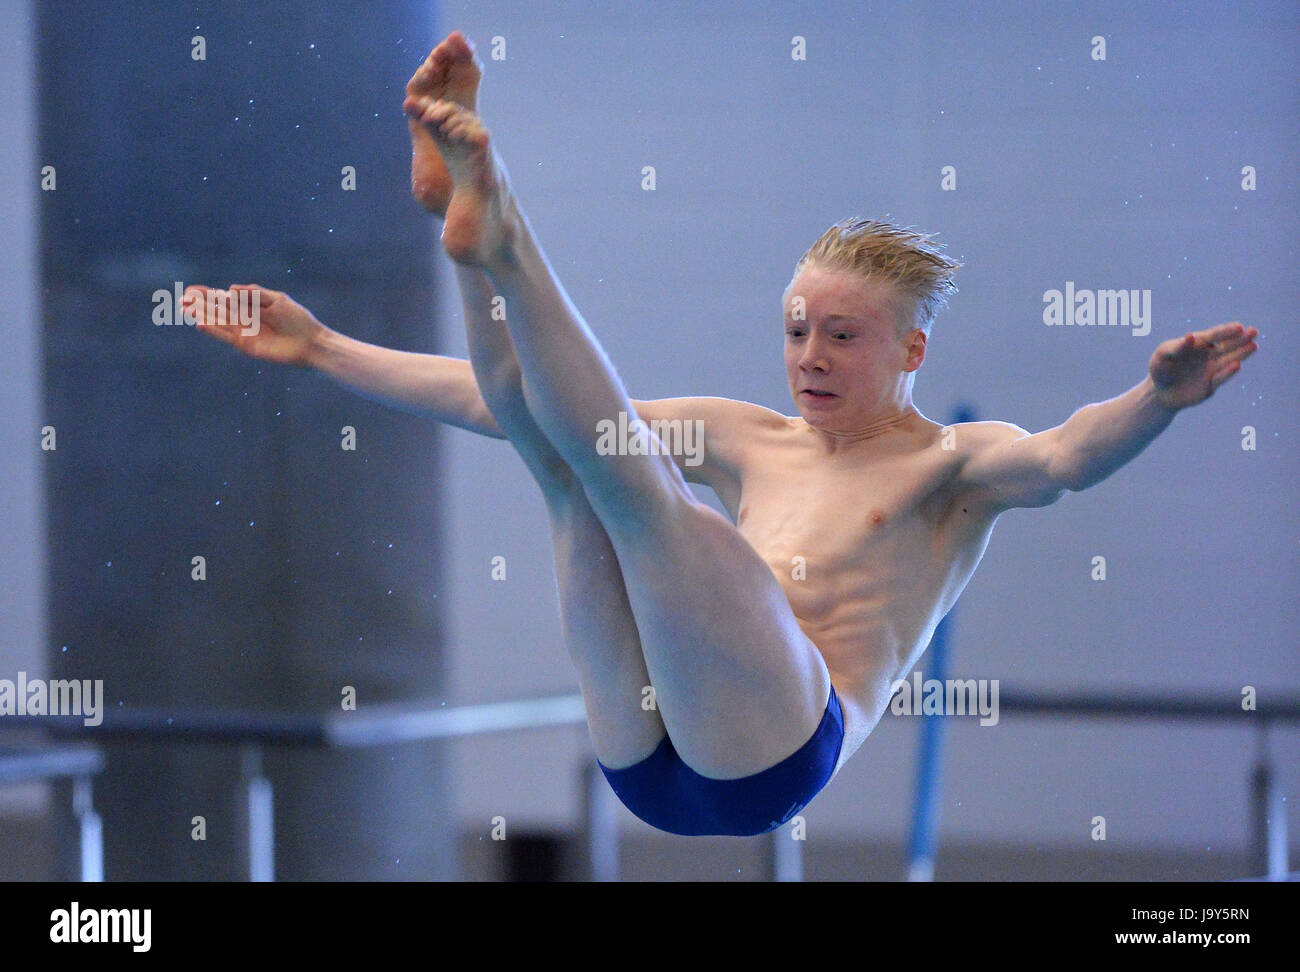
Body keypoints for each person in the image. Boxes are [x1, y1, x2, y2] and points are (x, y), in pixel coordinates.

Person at [191, 32, 1259, 836]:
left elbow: (1070, 457)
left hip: (780, 752)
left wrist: (1156, 399)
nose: (809, 357)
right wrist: (325, 348)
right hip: (646, 761)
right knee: (567, 469)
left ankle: (501, 223)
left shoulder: (952, 469)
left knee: (643, 492)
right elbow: (498, 403)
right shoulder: (753, 434)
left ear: (909, 354)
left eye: (843, 336)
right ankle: (471, 245)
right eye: (797, 330)